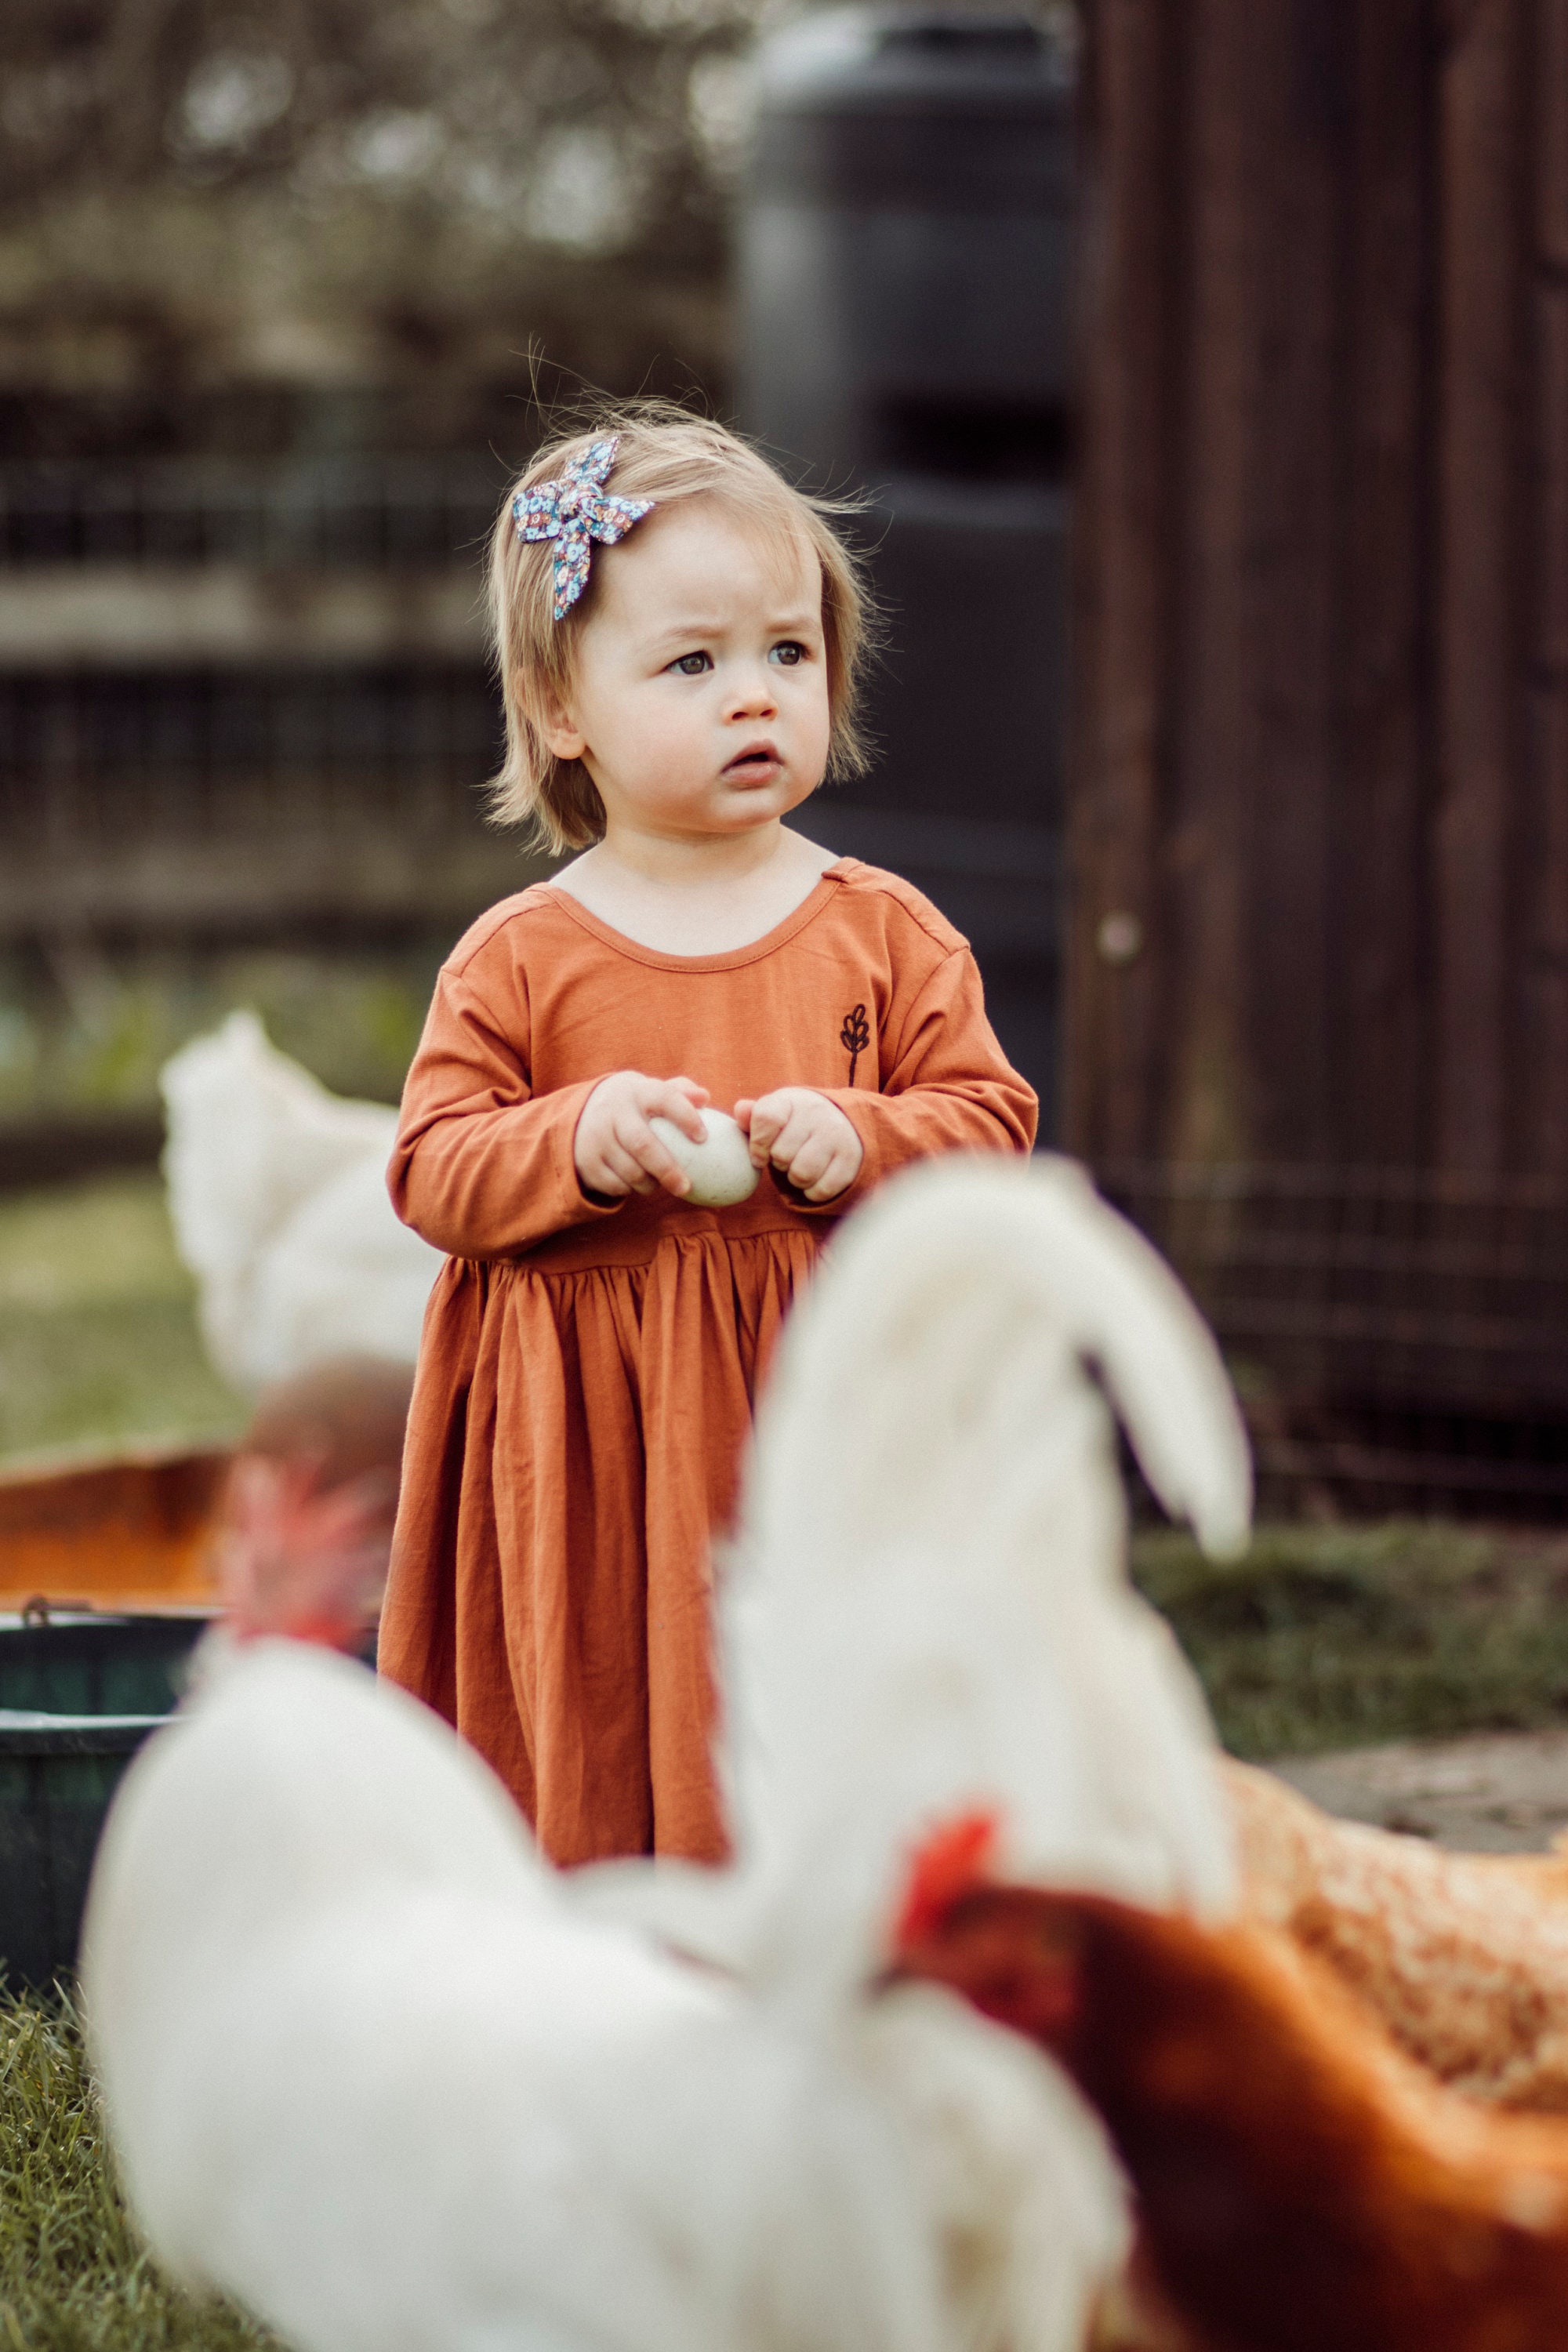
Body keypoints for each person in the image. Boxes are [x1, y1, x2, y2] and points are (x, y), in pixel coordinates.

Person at [378, 406, 1036, 1867]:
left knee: (816, 1729)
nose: (755, 697)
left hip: (809, 1430)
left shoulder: (883, 935)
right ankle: (598, 1957)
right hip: (591, 1453)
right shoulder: (519, 962)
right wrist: (575, 1137)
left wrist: (865, 1136)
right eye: (693, 663)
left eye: (787, 654)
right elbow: (431, 1165)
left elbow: (990, 1124)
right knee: (604, 1701)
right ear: (563, 710)